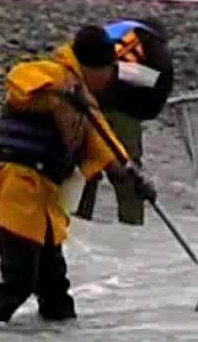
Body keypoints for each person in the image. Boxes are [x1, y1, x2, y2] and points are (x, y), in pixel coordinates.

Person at [0, 25, 157, 325]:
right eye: (108, 71)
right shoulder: (53, 75)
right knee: (19, 283)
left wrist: (132, 176)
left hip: (45, 202)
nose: (110, 79)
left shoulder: (84, 100)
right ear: (93, 68)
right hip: (16, 193)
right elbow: (18, 79)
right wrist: (60, 91)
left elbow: (104, 146)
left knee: (55, 290)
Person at [73, 17, 174, 226]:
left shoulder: (113, 31)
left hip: (86, 103)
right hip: (121, 110)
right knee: (127, 173)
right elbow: (160, 84)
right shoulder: (156, 48)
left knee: (86, 169)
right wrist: (140, 110)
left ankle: (76, 222)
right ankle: (132, 228)